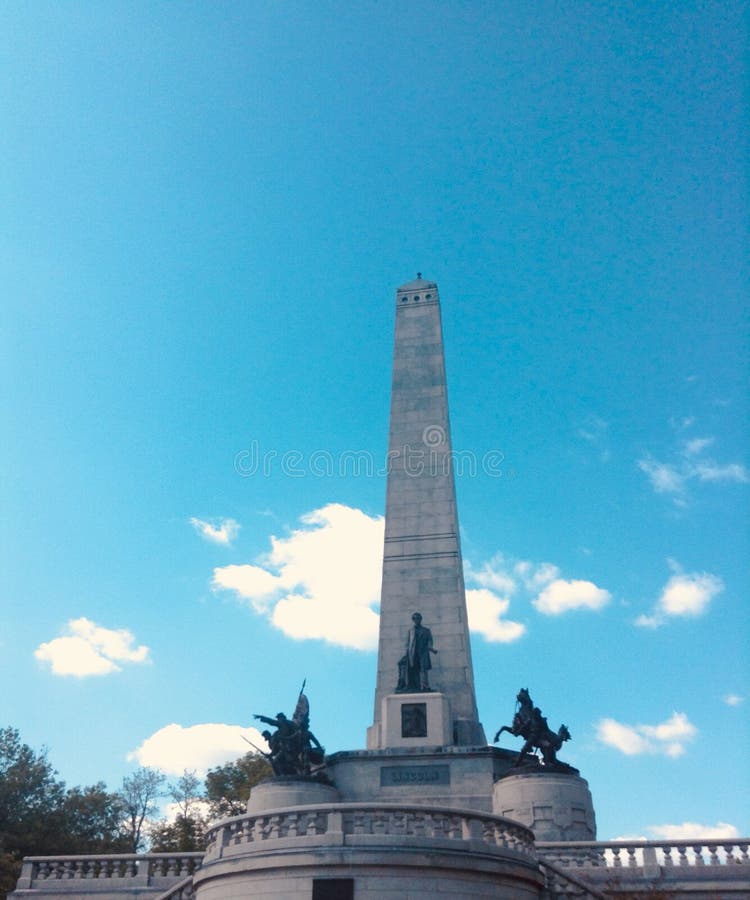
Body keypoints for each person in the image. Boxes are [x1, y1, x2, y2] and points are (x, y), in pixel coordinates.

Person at [403, 611, 437, 691]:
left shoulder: (426, 630)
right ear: (413, 620)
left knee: (423, 670)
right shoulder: (410, 631)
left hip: (423, 653)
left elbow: (430, 641)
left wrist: (431, 648)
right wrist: (406, 653)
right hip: (413, 653)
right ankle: (415, 686)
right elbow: (408, 643)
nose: (416, 620)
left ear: (420, 619)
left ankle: (425, 686)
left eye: (418, 618)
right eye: (415, 618)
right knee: (414, 669)